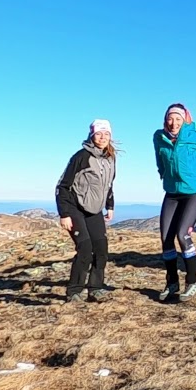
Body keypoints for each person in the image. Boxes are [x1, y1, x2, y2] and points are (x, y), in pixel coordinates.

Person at [153, 103, 196, 303]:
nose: (174, 123)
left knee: (182, 235)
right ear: (165, 119)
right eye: (170, 118)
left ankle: (192, 281)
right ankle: (172, 282)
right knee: (166, 239)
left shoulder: (195, 135)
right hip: (172, 193)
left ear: (185, 119)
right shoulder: (159, 137)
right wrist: (162, 172)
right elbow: (158, 156)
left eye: (178, 119)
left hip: (194, 192)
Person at [55, 118, 118, 303]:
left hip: (94, 210)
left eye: (106, 134)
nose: (103, 137)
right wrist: (64, 213)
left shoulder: (110, 158)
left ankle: (95, 289)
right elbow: (62, 186)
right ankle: (74, 291)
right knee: (85, 248)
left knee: (101, 249)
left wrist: (110, 205)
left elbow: (108, 184)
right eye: (99, 133)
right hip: (75, 208)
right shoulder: (81, 157)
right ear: (92, 135)